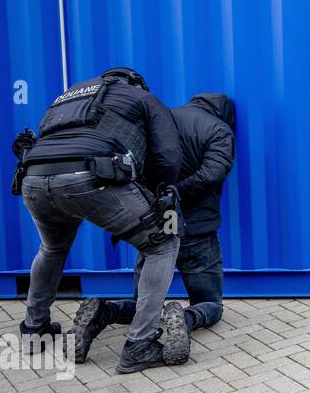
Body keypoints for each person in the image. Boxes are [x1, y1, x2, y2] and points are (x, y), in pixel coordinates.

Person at [10, 67, 183, 374]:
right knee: (163, 243)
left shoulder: (65, 98)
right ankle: (140, 344)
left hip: (33, 180)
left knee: (52, 249)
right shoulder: (142, 98)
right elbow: (168, 156)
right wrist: (159, 194)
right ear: (136, 83)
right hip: (92, 177)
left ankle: (34, 329)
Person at [72, 94, 236, 363]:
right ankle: (186, 318)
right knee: (210, 304)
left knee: (145, 303)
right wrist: (176, 191)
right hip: (197, 228)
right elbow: (212, 173)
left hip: (153, 225)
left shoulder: (161, 119)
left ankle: (104, 312)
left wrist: (157, 198)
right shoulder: (219, 130)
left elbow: (131, 166)